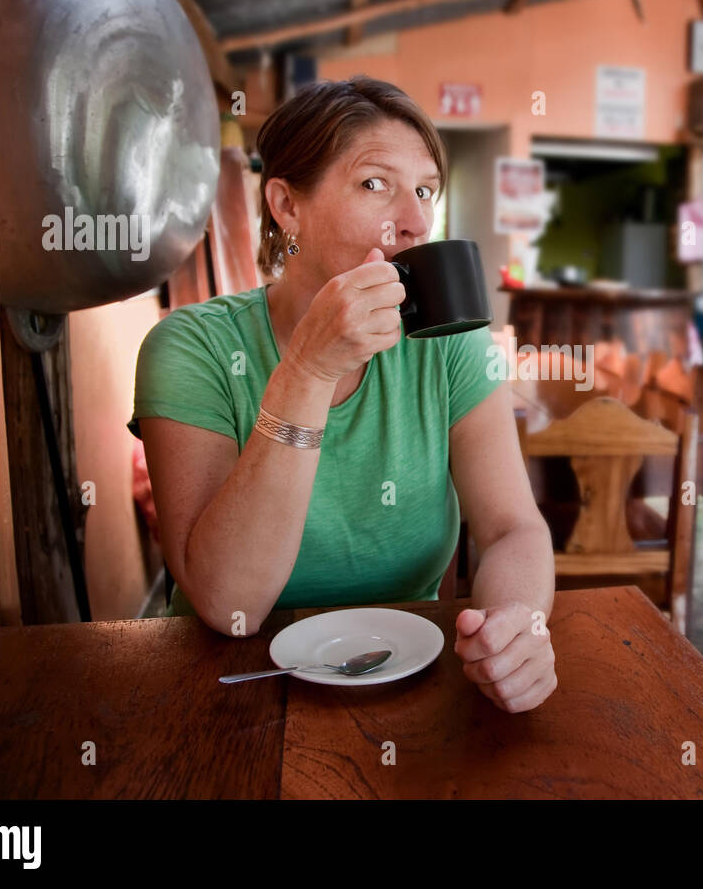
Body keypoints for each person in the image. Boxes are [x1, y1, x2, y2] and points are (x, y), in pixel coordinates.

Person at [129, 77, 556, 713]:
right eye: (374, 184)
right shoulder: (191, 349)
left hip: (410, 673)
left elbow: (511, 528)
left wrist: (514, 628)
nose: (414, 222)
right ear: (286, 205)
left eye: (425, 191)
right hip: (226, 686)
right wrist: (306, 371)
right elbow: (230, 604)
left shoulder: (447, 343)